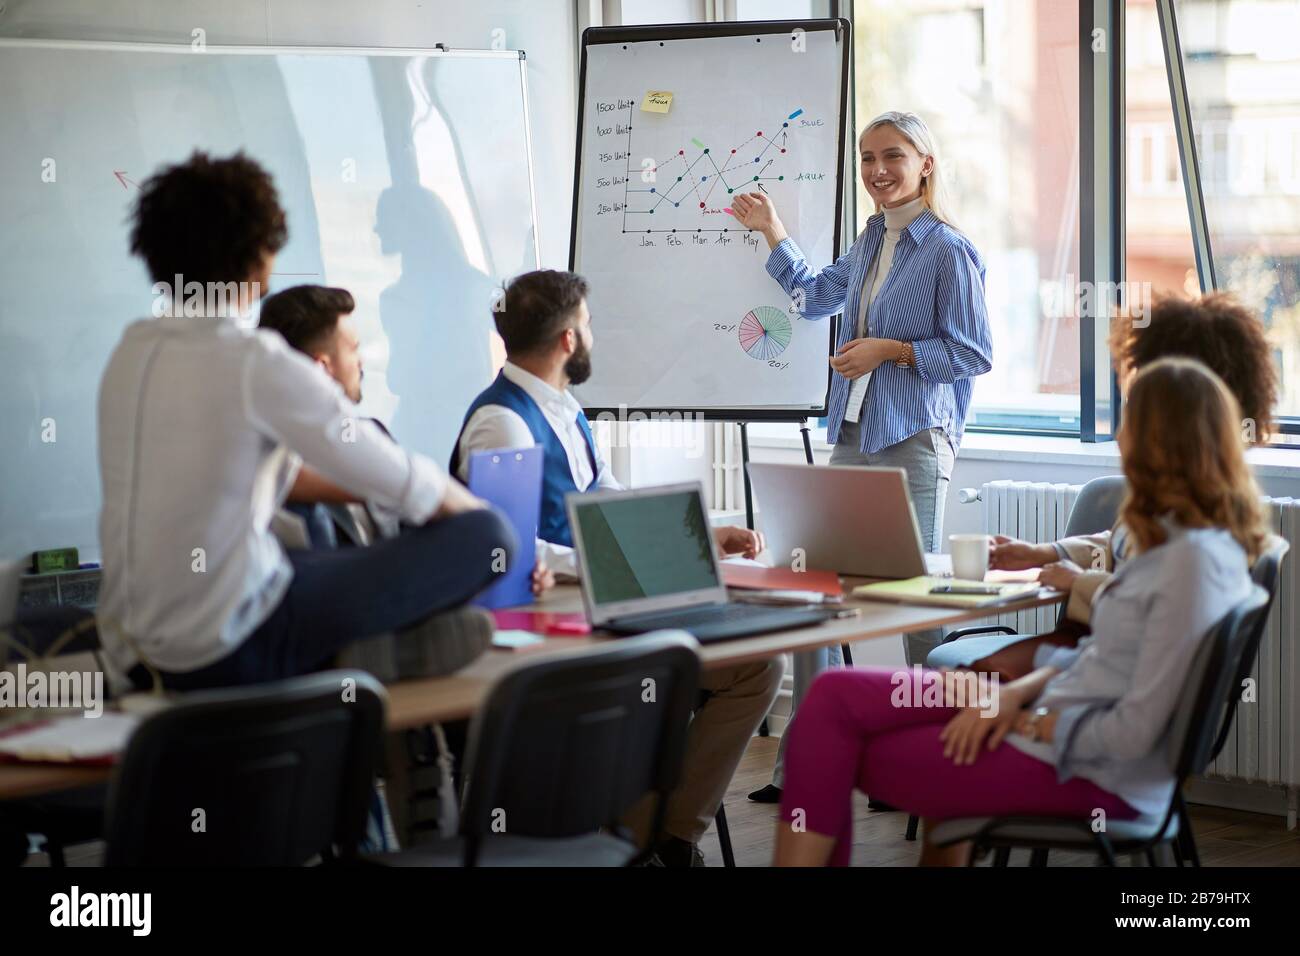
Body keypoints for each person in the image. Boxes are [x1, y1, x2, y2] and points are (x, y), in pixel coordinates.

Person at [774, 357, 1266, 866]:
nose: (1121, 440)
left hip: (1087, 767)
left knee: (836, 747)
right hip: (1048, 707)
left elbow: (1135, 731)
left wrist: (1031, 722)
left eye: (1130, 425)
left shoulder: (1189, 564)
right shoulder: (1180, 539)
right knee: (833, 694)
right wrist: (1015, 695)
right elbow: (1100, 660)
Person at [95, 151, 514, 692]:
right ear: (260, 258)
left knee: (310, 566)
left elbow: (261, 475)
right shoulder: (254, 361)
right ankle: (354, 652)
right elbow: (412, 485)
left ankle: (362, 644)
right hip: (224, 650)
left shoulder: (131, 351)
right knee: (488, 536)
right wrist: (477, 514)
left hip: (129, 651)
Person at [451, 268, 784, 867]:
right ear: (568, 341)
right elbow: (505, 551)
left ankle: (666, 835)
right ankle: (635, 842)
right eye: (589, 324)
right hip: (542, 623)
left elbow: (610, 503)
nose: (593, 335)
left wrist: (701, 536)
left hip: (605, 603)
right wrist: (608, 563)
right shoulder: (501, 420)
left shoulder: (564, 409)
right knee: (655, 673)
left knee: (759, 664)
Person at [729, 110, 993, 801]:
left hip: (912, 440)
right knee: (814, 593)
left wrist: (892, 351)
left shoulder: (949, 251)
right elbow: (817, 300)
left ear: (925, 164)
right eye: (868, 157)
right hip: (851, 432)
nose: (878, 170)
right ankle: (804, 770)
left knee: (913, 606)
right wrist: (773, 233)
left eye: (894, 157)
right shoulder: (874, 236)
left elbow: (973, 354)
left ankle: (922, 771)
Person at [930, 291, 1279, 681]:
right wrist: (1043, 553)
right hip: (1105, 656)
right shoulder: (1197, 486)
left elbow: (1150, 602)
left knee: (961, 686)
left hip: (1112, 662)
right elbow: (1125, 547)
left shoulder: (1197, 518)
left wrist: (1078, 581)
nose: (1122, 427)